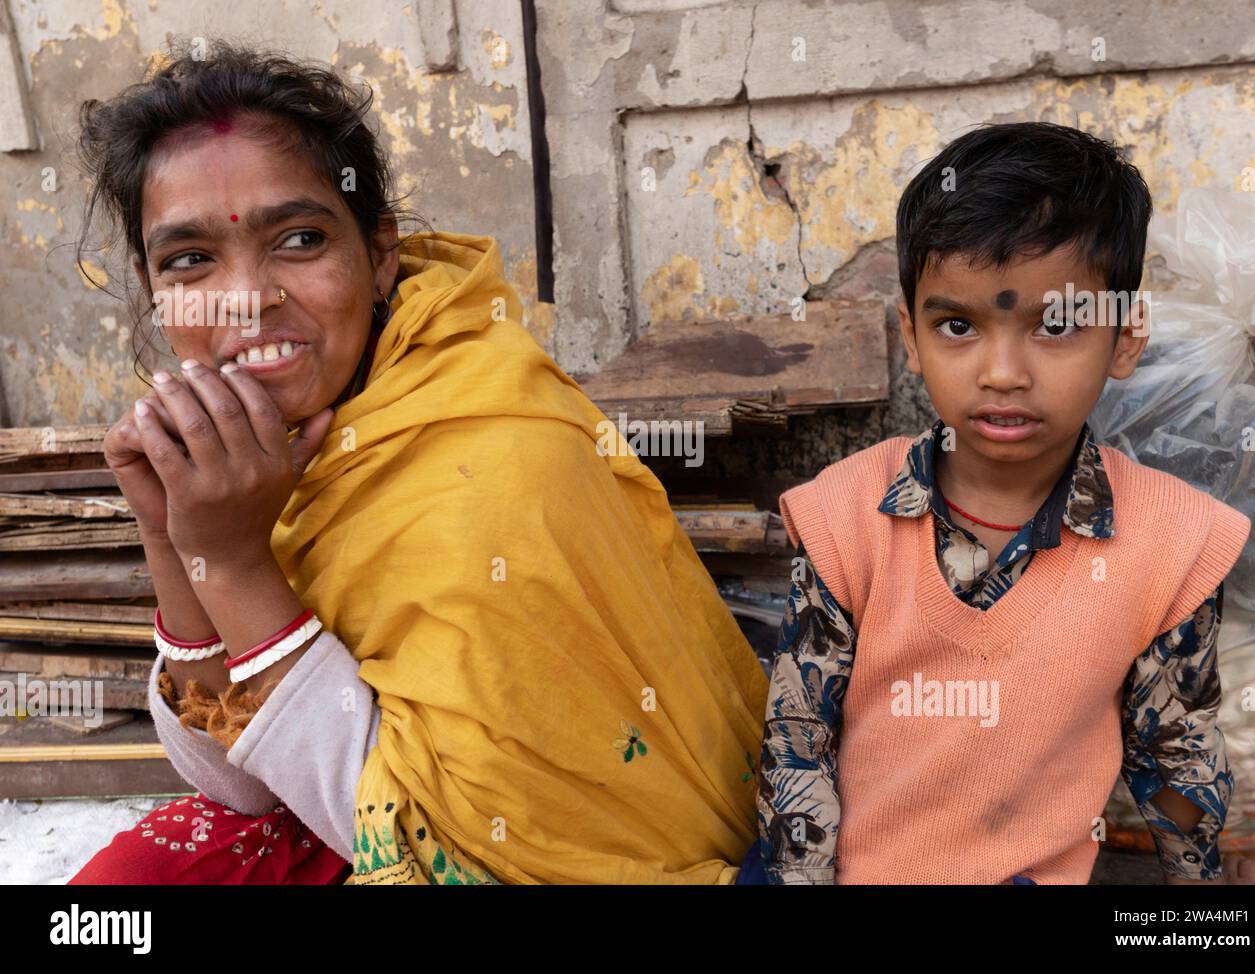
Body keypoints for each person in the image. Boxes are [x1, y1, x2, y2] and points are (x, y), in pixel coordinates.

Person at [69, 39, 766, 885]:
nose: (247, 297)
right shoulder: (263, 447)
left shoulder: (491, 454)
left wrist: (242, 561)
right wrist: (174, 535)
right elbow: (240, 786)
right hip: (363, 798)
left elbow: (435, 851)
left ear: (380, 255)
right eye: (190, 260)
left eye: (297, 239)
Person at [756, 121, 1255, 885]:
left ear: (1125, 336)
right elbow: (799, 742)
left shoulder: (1171, 542)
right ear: (912, 332)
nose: (1002, 372)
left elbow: (1176, 752)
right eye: (957, 325)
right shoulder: (848, 516)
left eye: (1054, 326)